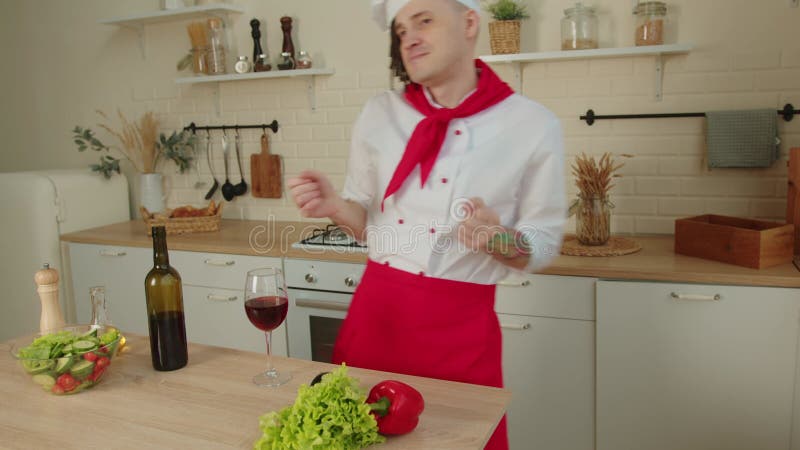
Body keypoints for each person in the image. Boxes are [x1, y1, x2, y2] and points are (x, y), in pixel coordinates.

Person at [287, 1, 566, 448]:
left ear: (469, 22)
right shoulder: (380, 114)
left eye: (425, 21)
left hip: (461, 335)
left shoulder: (531, 125)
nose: (410, 39)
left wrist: (498, 240)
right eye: (401, 30)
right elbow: (369, 227)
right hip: (375, 320)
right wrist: (335, 205)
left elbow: (545, 244)